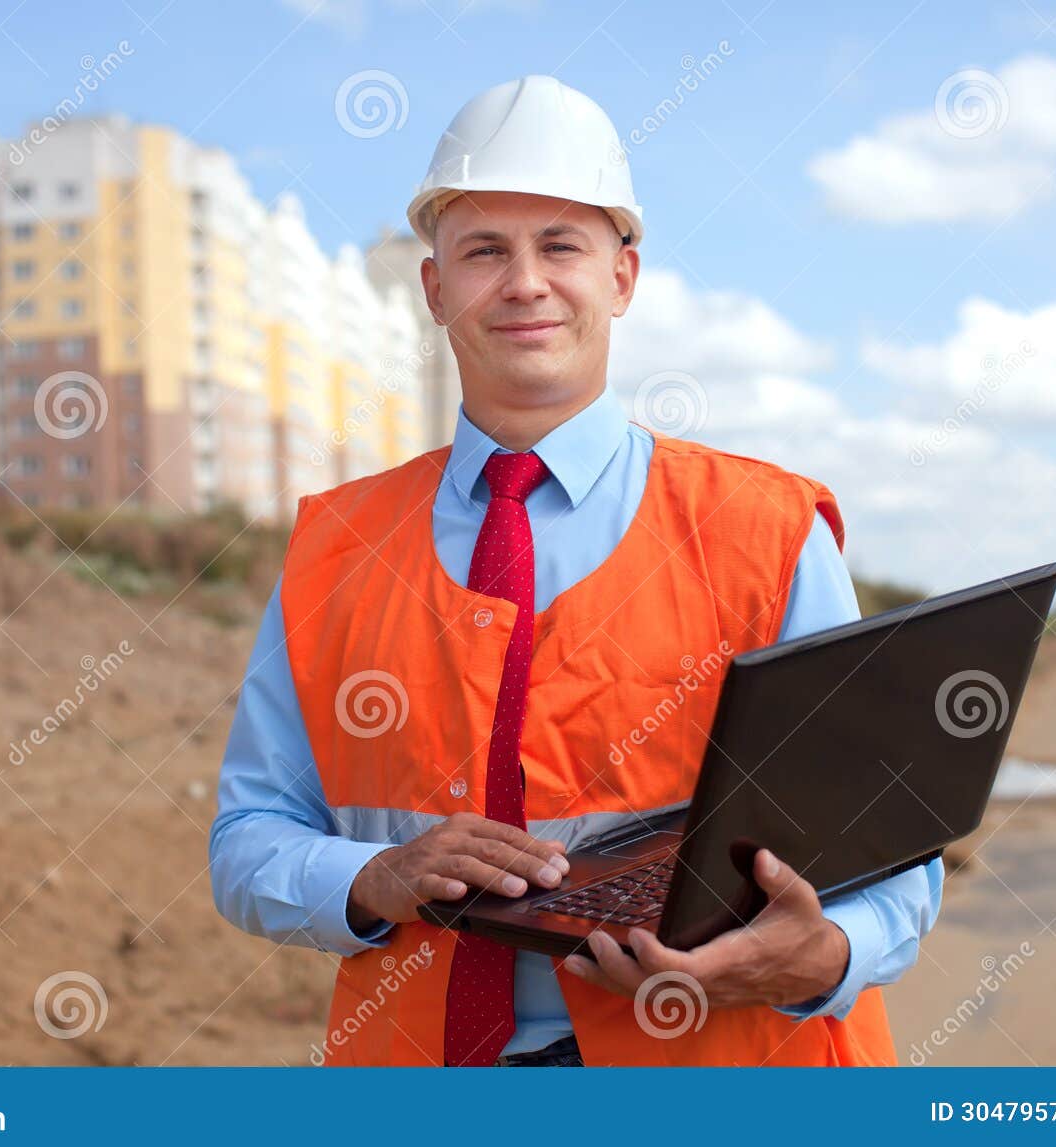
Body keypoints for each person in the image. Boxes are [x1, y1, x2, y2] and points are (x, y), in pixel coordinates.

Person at [210, 74, 941, 1067]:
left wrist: (821, 953)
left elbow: (889, 855)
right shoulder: (337, 551)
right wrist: (375, 873)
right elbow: (249, 835)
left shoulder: (765, 533)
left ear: (622, 278)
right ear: (434, 289)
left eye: (560, 245)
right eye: (483, 251)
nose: (524, 283)